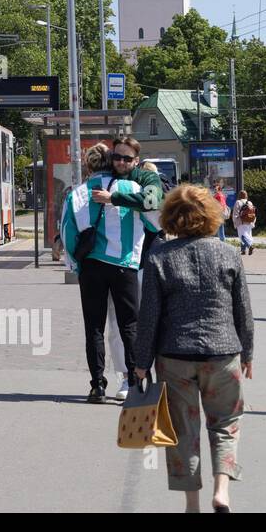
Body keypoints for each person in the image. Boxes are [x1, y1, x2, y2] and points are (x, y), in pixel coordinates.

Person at [132, 185, 254, 513]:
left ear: (170, 217)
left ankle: (191, 505)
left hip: (174, 356)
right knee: (226, 422)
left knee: (183, 430)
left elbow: (149, 316)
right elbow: (242, 308)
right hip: (223, 353)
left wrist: (141, 362)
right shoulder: (228, 254)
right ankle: (222, 490)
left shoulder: (160, 257)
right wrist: (249, 354)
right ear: (211, 216)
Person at [61, 137, 159, 403]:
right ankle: (133, 381)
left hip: (91, 266)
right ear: (112, 160)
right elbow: (155, 224)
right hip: (125, 266)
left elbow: (67, 232)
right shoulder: (134, 188)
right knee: (130, 326)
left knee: (93, 326)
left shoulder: (79, 193)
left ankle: (97, 385)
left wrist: (76, 263)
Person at [106, 158, 165, 400]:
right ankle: (127, 376)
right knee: (120, 325)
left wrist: (120, 199)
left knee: (143, 322)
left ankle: (144, 374)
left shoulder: (147, 193)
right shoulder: (109, 187)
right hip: (119, 265)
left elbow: (154, 212)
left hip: (144, 265)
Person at [232, 189, 256, 255]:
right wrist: (253, 221)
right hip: (249, 221)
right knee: (247, 235)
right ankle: (243, 250)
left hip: (241, 222)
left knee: (242, 236)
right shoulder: (250, 202)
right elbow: (253, 212)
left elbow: (235, 213)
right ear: (246, 195)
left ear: (239, 195)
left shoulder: (238, 202)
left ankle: (250, 246)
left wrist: (235, 221)